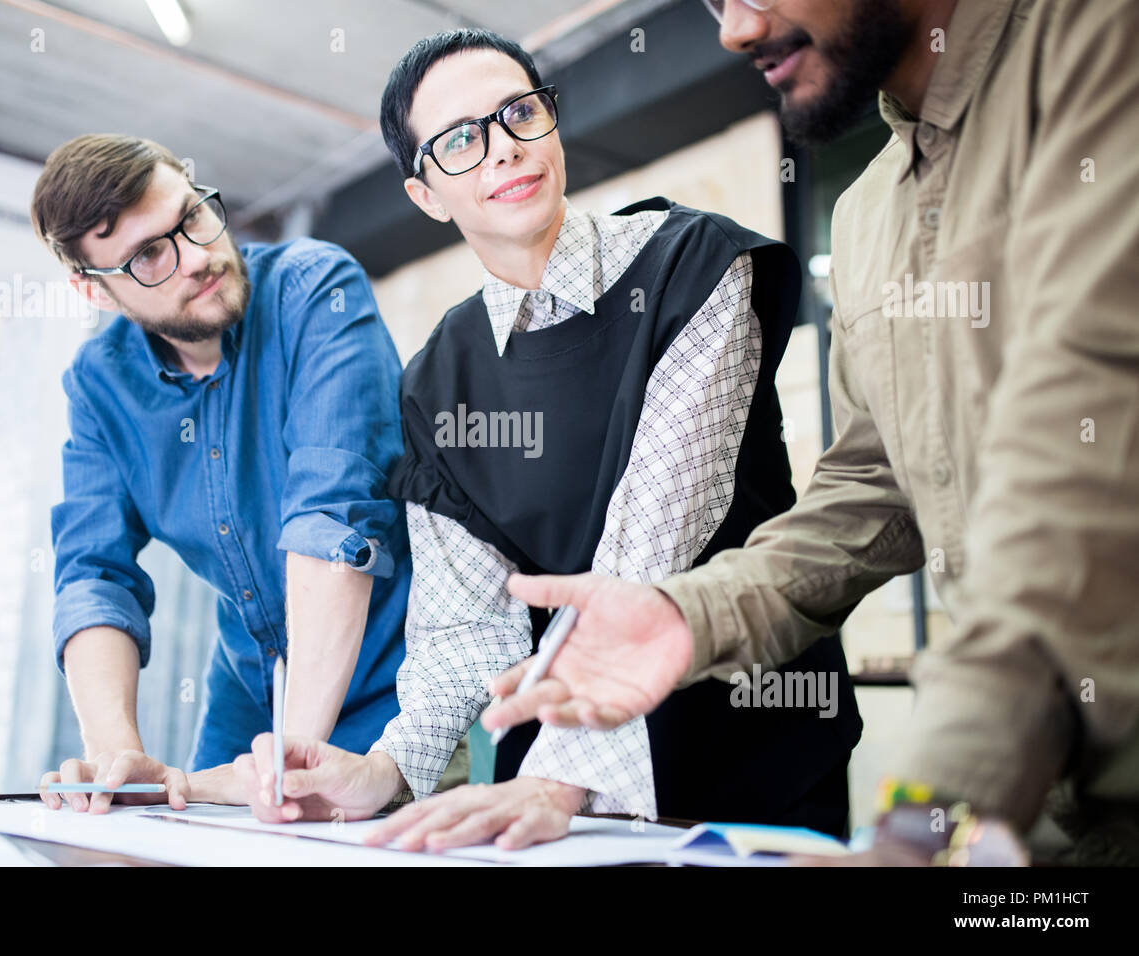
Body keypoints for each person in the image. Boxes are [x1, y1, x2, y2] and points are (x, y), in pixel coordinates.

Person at [482, 0, 1139, 865]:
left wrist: (925, 819)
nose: (735, 29)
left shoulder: (1097, 41)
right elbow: (868, 496)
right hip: (1068, 824)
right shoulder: (868, 218)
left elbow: (1075, 478)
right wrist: (687, 614)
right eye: (715, 0)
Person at [210, 27, 863, 851]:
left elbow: (650, 547)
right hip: (554, 810)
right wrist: (385, 770)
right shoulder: (435, 381)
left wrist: (556, 778)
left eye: (519, 113)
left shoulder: (692, 265)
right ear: (426, 195)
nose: (504, 151)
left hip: (750, 754)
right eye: (459, 140)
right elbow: (463, 630)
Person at [30, 134, 414, 812]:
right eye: (149, 255)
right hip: (249, 685)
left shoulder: (313, 290)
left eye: (194, 216)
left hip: (395, 680)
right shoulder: (99, 386)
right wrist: (117, 758)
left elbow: (333, 520)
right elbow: (94, 574)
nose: (199, 258)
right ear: (96, 291)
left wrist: (284, 768)